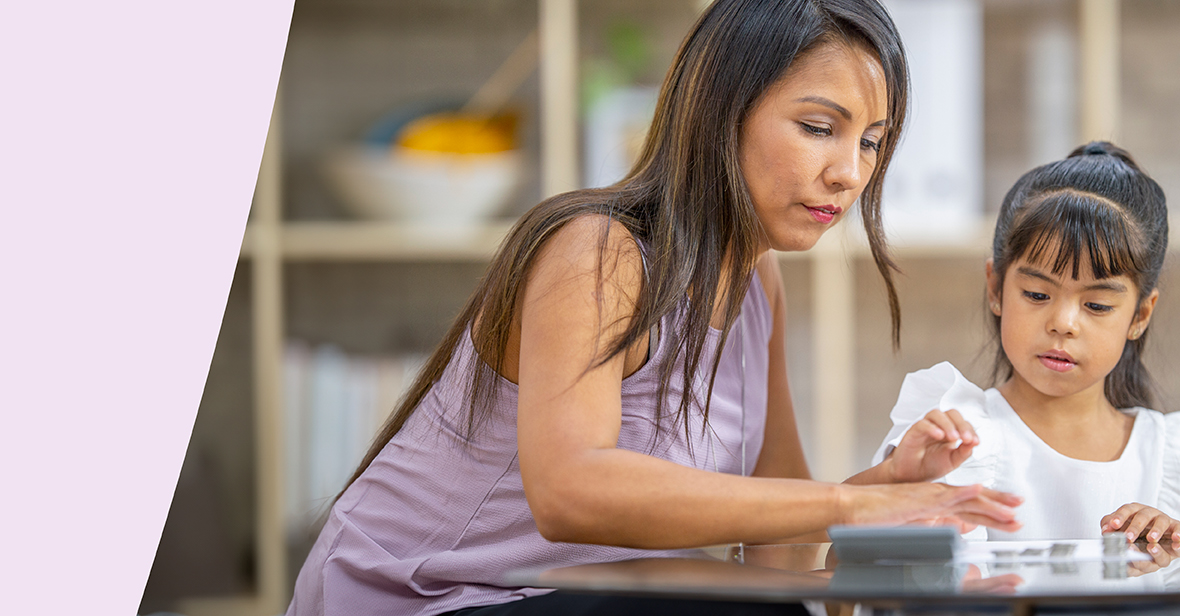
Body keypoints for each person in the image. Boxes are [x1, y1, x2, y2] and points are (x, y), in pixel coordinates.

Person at [286, 2, 1022, 615]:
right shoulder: (598, 251)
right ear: (719, 110)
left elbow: (779, 556)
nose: (850, 172)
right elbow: (569, 490)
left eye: (871, 142)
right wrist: (847, 506)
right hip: (427, 600)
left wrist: (885, 491)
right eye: (819, 128)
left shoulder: (759, 286)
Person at [873, 142, 1180, 554]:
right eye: (1037, 294)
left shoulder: (1169, 459)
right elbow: (847, 566)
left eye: (1096, 305)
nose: (1063, 323)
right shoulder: (953, 440)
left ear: (1140, 315)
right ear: (996, 288)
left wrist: (1165, 555)